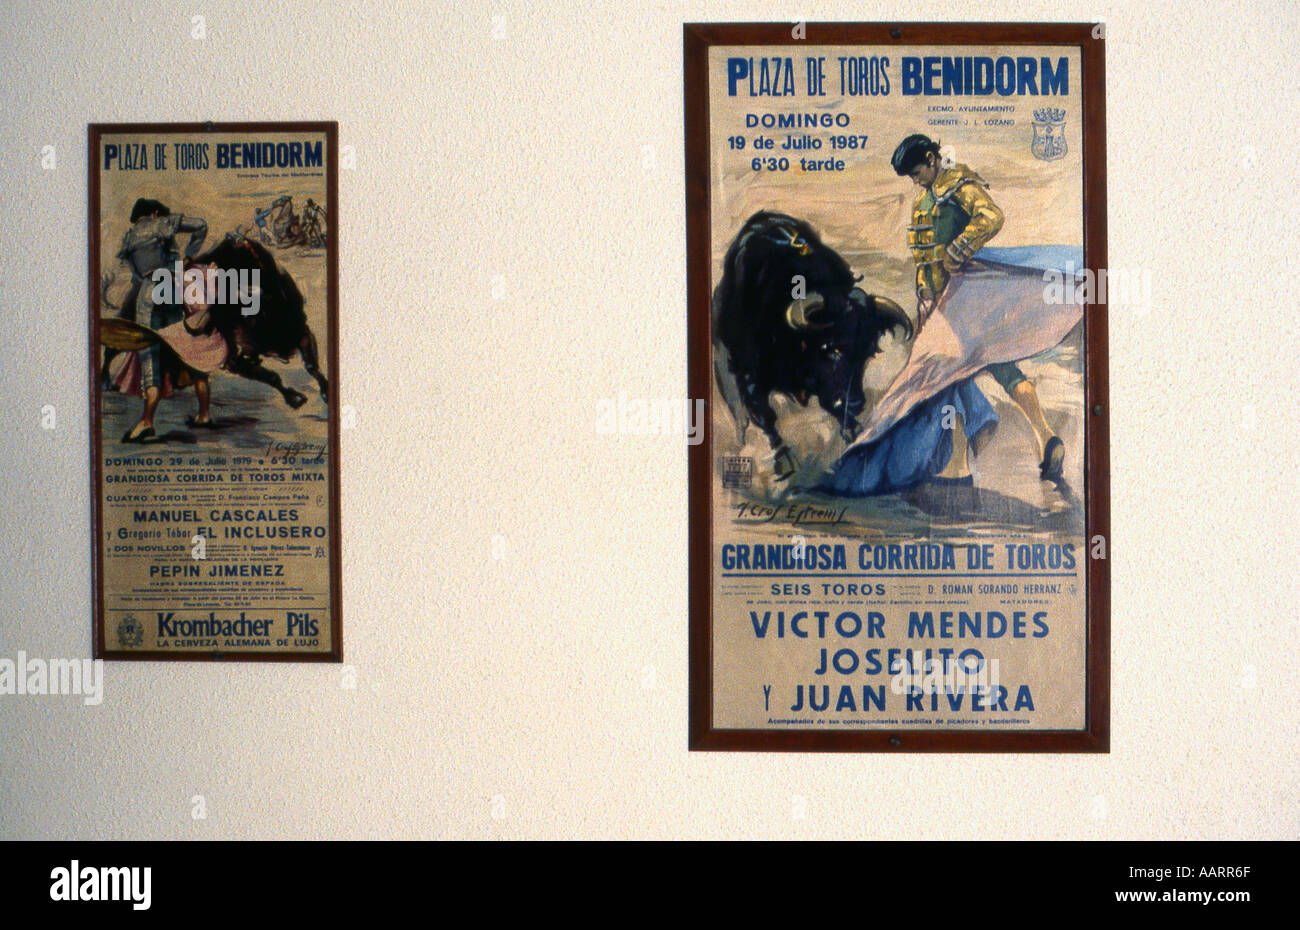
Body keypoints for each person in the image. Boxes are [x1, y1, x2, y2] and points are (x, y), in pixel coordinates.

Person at [893, 133, 1063, 482]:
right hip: (944, 304)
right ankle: (1045, 438)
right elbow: (924, 261)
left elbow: (991, 216)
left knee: (948, 378)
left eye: (916, 172)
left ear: (931, 158)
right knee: (1001, 367)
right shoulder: (925, 199)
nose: (915, 180)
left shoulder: (958, 187)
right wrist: (925, 297)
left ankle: (959, 466)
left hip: (962, 301)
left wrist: (957, 251)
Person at [115, 198, 209, 442]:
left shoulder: (129, 237)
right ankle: (204, 412)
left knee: (150, 358)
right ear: (155, 213)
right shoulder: (163, 223)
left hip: (147, 293)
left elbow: (135, 274)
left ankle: (147, 421)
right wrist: (188, 257)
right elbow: (201, 226)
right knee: (185, 345)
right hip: (172, 288)